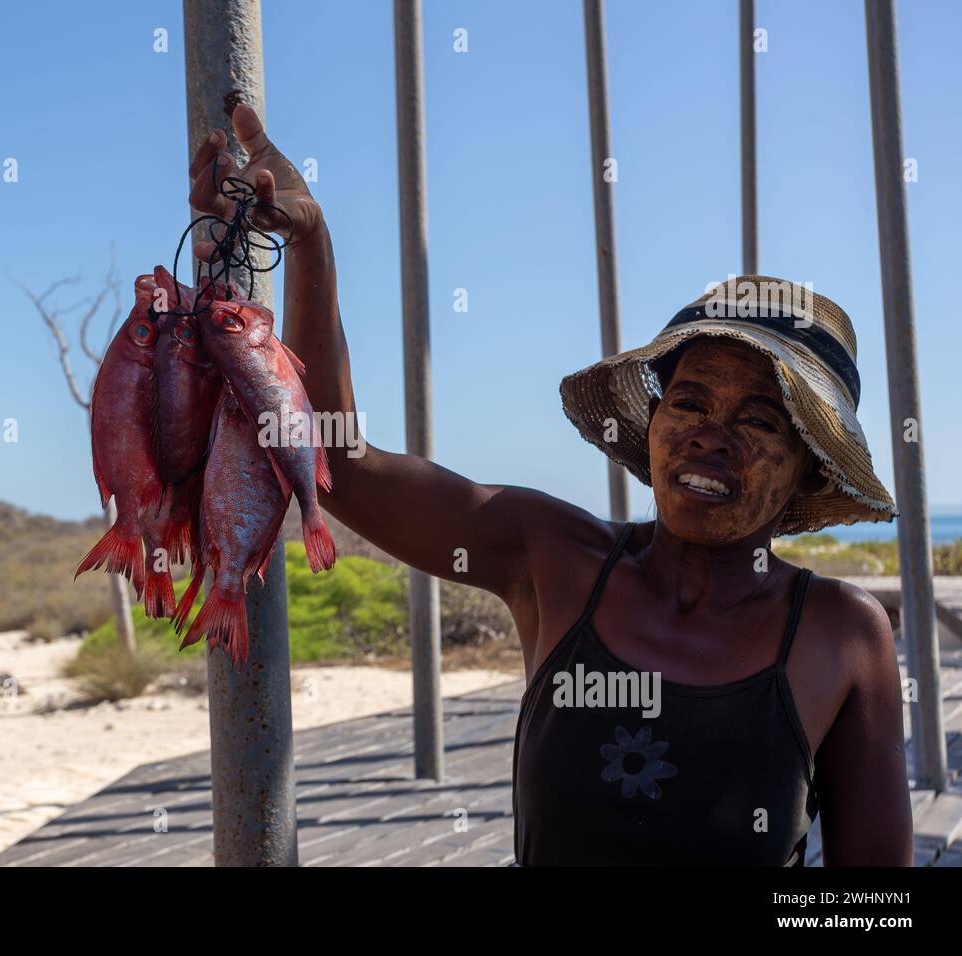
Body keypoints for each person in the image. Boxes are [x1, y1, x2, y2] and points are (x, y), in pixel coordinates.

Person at [187, 105, 913, 866]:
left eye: (759, 421)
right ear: (654, 423)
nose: (711, 435)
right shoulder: (553, 558)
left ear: (807, 465)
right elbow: (342, 466)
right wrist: (311, 243)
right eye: (690, 402)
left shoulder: (840, 634)